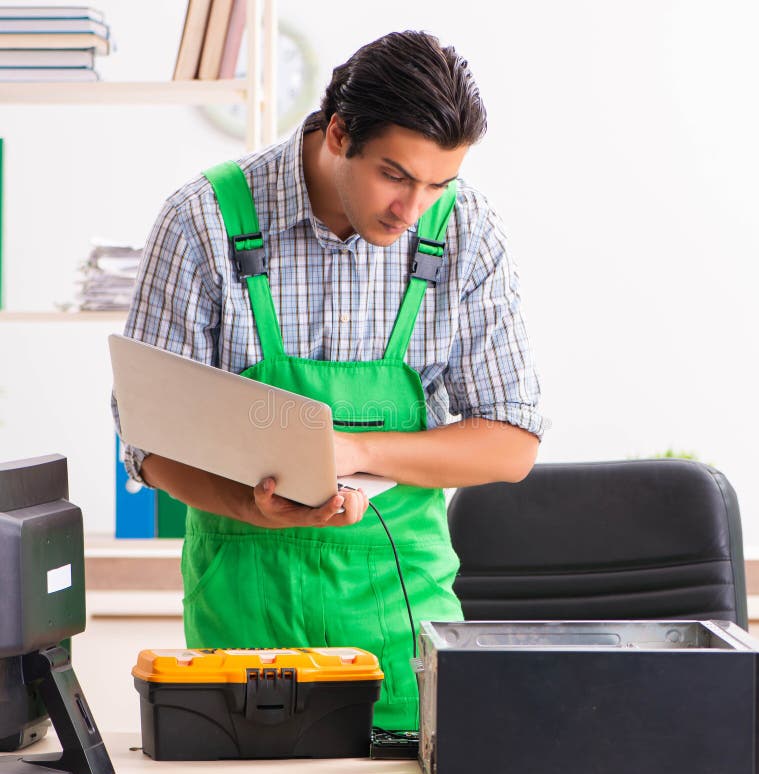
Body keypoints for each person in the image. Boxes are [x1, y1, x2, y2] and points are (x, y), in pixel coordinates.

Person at [113, 30, 545, 731]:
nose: (414, 210)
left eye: (440, 183)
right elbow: (147, 440)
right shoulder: (203, 221)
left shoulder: (465, 231)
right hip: (241, 643)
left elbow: (510, 443)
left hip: (403, 642)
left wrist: (360, 451)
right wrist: (249, 506)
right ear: (340, 134)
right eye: (397, 175)